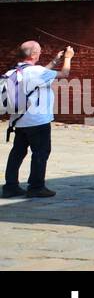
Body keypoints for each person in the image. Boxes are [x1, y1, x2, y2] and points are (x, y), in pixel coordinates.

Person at [1, 41, 74, 198]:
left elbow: (42, 73)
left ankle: (10, 187)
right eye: (39, 51)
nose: (40, 54)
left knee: (17, 153)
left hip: (19, 121)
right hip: (38, 121)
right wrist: (68, 58)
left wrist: (55, 61)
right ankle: (36, 187)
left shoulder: (14, 71)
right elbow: (64, 74)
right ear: (33, 54)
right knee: (40, 153)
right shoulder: (37, 71)